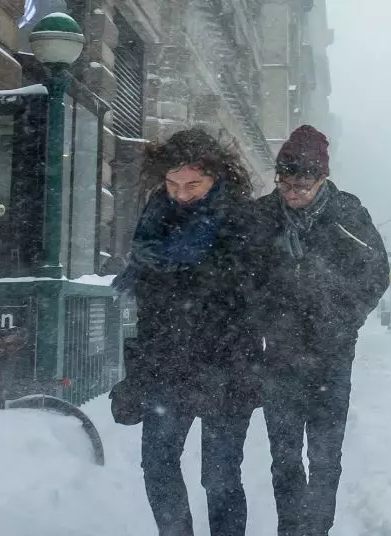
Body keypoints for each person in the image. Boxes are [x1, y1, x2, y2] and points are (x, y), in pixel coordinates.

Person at [109, 128, 262, 536]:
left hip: (227, 371)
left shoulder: (241, 224)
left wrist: (229, 366)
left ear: (217, 178)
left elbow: (253, 306)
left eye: (193, 184)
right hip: (166, 368)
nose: (181, 194)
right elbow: (144, 312)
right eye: (172, 184)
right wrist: (134, 376)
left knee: (220, 475)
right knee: (158, 464)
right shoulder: (154, 223)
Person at [251, 125, 389, 536]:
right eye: (284, 181)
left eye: (302, 183)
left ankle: (317, 530)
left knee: (326, 457)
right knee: (285, 457)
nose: (291, 191)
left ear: (323, 178)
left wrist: (342, 318)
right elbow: (243, 277)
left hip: (332, 358)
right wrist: (267, 317)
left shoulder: (348, 213)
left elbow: (377, 273)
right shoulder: (262, 217)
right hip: (279, 357)